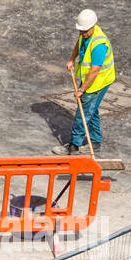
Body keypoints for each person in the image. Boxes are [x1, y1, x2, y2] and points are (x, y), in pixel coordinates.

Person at [53, 9, 115, 155]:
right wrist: (71, 59)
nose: (82, 34)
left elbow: (95, 70)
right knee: (91, 110)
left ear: (93, 26)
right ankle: (95, 141)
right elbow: (79, 43)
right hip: (92, 80)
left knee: (83, 112)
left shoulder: (99, 44)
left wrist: (82, 89)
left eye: (85, 31)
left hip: (98, 82)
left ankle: (74, 145)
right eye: (81, 31)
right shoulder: (85, 33)